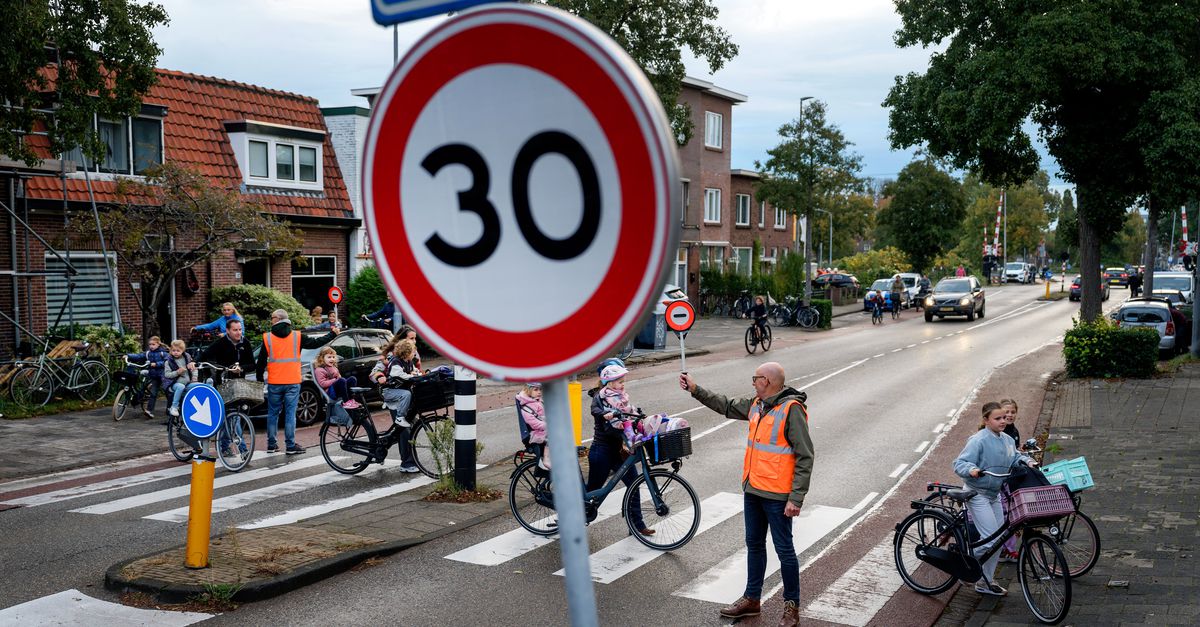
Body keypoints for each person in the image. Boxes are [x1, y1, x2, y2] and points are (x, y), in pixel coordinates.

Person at [679, 363, 813, 626]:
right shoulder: (756, 405)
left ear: (769, 381)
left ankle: (791, 606)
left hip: (777, 495)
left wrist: (796, 498)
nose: (753, 382)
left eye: (756, 378)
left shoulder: (791, 410)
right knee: (754, 545)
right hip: (753, 489)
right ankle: (752, 599)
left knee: (784, 550)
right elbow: (726, 405)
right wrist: (695, 389)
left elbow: (805, 456)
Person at [953, 402, 1037, 596]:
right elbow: (960, 463)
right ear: (986, 420)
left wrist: (1028, 461)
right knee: (990, 540)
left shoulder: (1007, 439)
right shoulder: (978, 440)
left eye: (1003, 418)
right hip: (976, 493)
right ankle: (963, 565)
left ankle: (985, 582)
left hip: (994, 494)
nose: (1003, 421)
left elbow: (1015, 457)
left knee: (999, 539)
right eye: (997, 418)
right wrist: (972, 470)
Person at [255, 309, 337, 455]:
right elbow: (316, 343)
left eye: (272, 317)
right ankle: (290, 445)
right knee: (290, 414)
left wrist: (259, 379)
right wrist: (332, 334)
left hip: (274, 382)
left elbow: (261, 362)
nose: (271, 320)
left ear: (279, 319)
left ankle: (272, 444)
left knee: (273, 414)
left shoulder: (268, 338)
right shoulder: (297, 336)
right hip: (292, 381)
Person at [587, 364, 652, 536]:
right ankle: (570, 517)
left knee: (634, 484)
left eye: (624, 381)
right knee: (592, 492)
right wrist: (604, 414)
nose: (623, 384)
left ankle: (637, 526)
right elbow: (595, 410)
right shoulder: (599, 397)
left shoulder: (621, 397)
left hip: (620, 451)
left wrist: (638, 416)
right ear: (608, 381)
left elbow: (628, 413)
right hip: (602, 451)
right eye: (619, 381)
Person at [370, 337, 421, 473]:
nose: (414, 341)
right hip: (394, 397)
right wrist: (379, 376)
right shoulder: (389, 358)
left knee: (408, 427)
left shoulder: (410, 361)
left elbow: (415, 372)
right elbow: (374, 373)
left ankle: (388, 448)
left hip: (406, 396)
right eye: (411, 338)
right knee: (404, 430)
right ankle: (407, 463)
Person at [198, 319, 256, 386]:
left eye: (240, 329)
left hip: (239, 382)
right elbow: (204, 354)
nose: (239, 332)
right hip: (222, 380)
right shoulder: (220, 342)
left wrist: (241, 368)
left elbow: (252, 365)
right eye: (235, 330)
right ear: (228, 331)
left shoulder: (245, 343)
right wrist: (193, 362)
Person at [125, 336, 170, 418]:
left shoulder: (163, 353)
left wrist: (156, 364)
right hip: (154, 376)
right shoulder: (148, 353)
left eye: (153, 344)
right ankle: (149, 411)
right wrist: (128, 356)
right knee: (153, 393)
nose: (151, 346)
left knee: (167, 392)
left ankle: (170, 408)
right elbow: (138, 356)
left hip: (164, 376)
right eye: (150, 344)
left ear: (158, 344)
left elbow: (167, 361)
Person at [515, 382, 549, 470]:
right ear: (528, 390)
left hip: (541, 431)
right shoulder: (526, 406)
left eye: (540, 389)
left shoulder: (537, 400)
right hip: (536, 434)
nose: (539, 392)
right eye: (536, 389)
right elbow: (534, 423)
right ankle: (546, 459)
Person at [164, 339, 198, 418]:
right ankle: (174, 407)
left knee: (199, 385)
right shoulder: (168, 361)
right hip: (174, 384)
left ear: (183, 350)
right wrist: (177, 372)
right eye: (173, 350)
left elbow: (194, 368)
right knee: (180, 386)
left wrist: (194, 377)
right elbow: (167, 375)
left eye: (178, 350)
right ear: (171, 350)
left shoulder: (187, 358)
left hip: (187, 383)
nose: (175, 352)